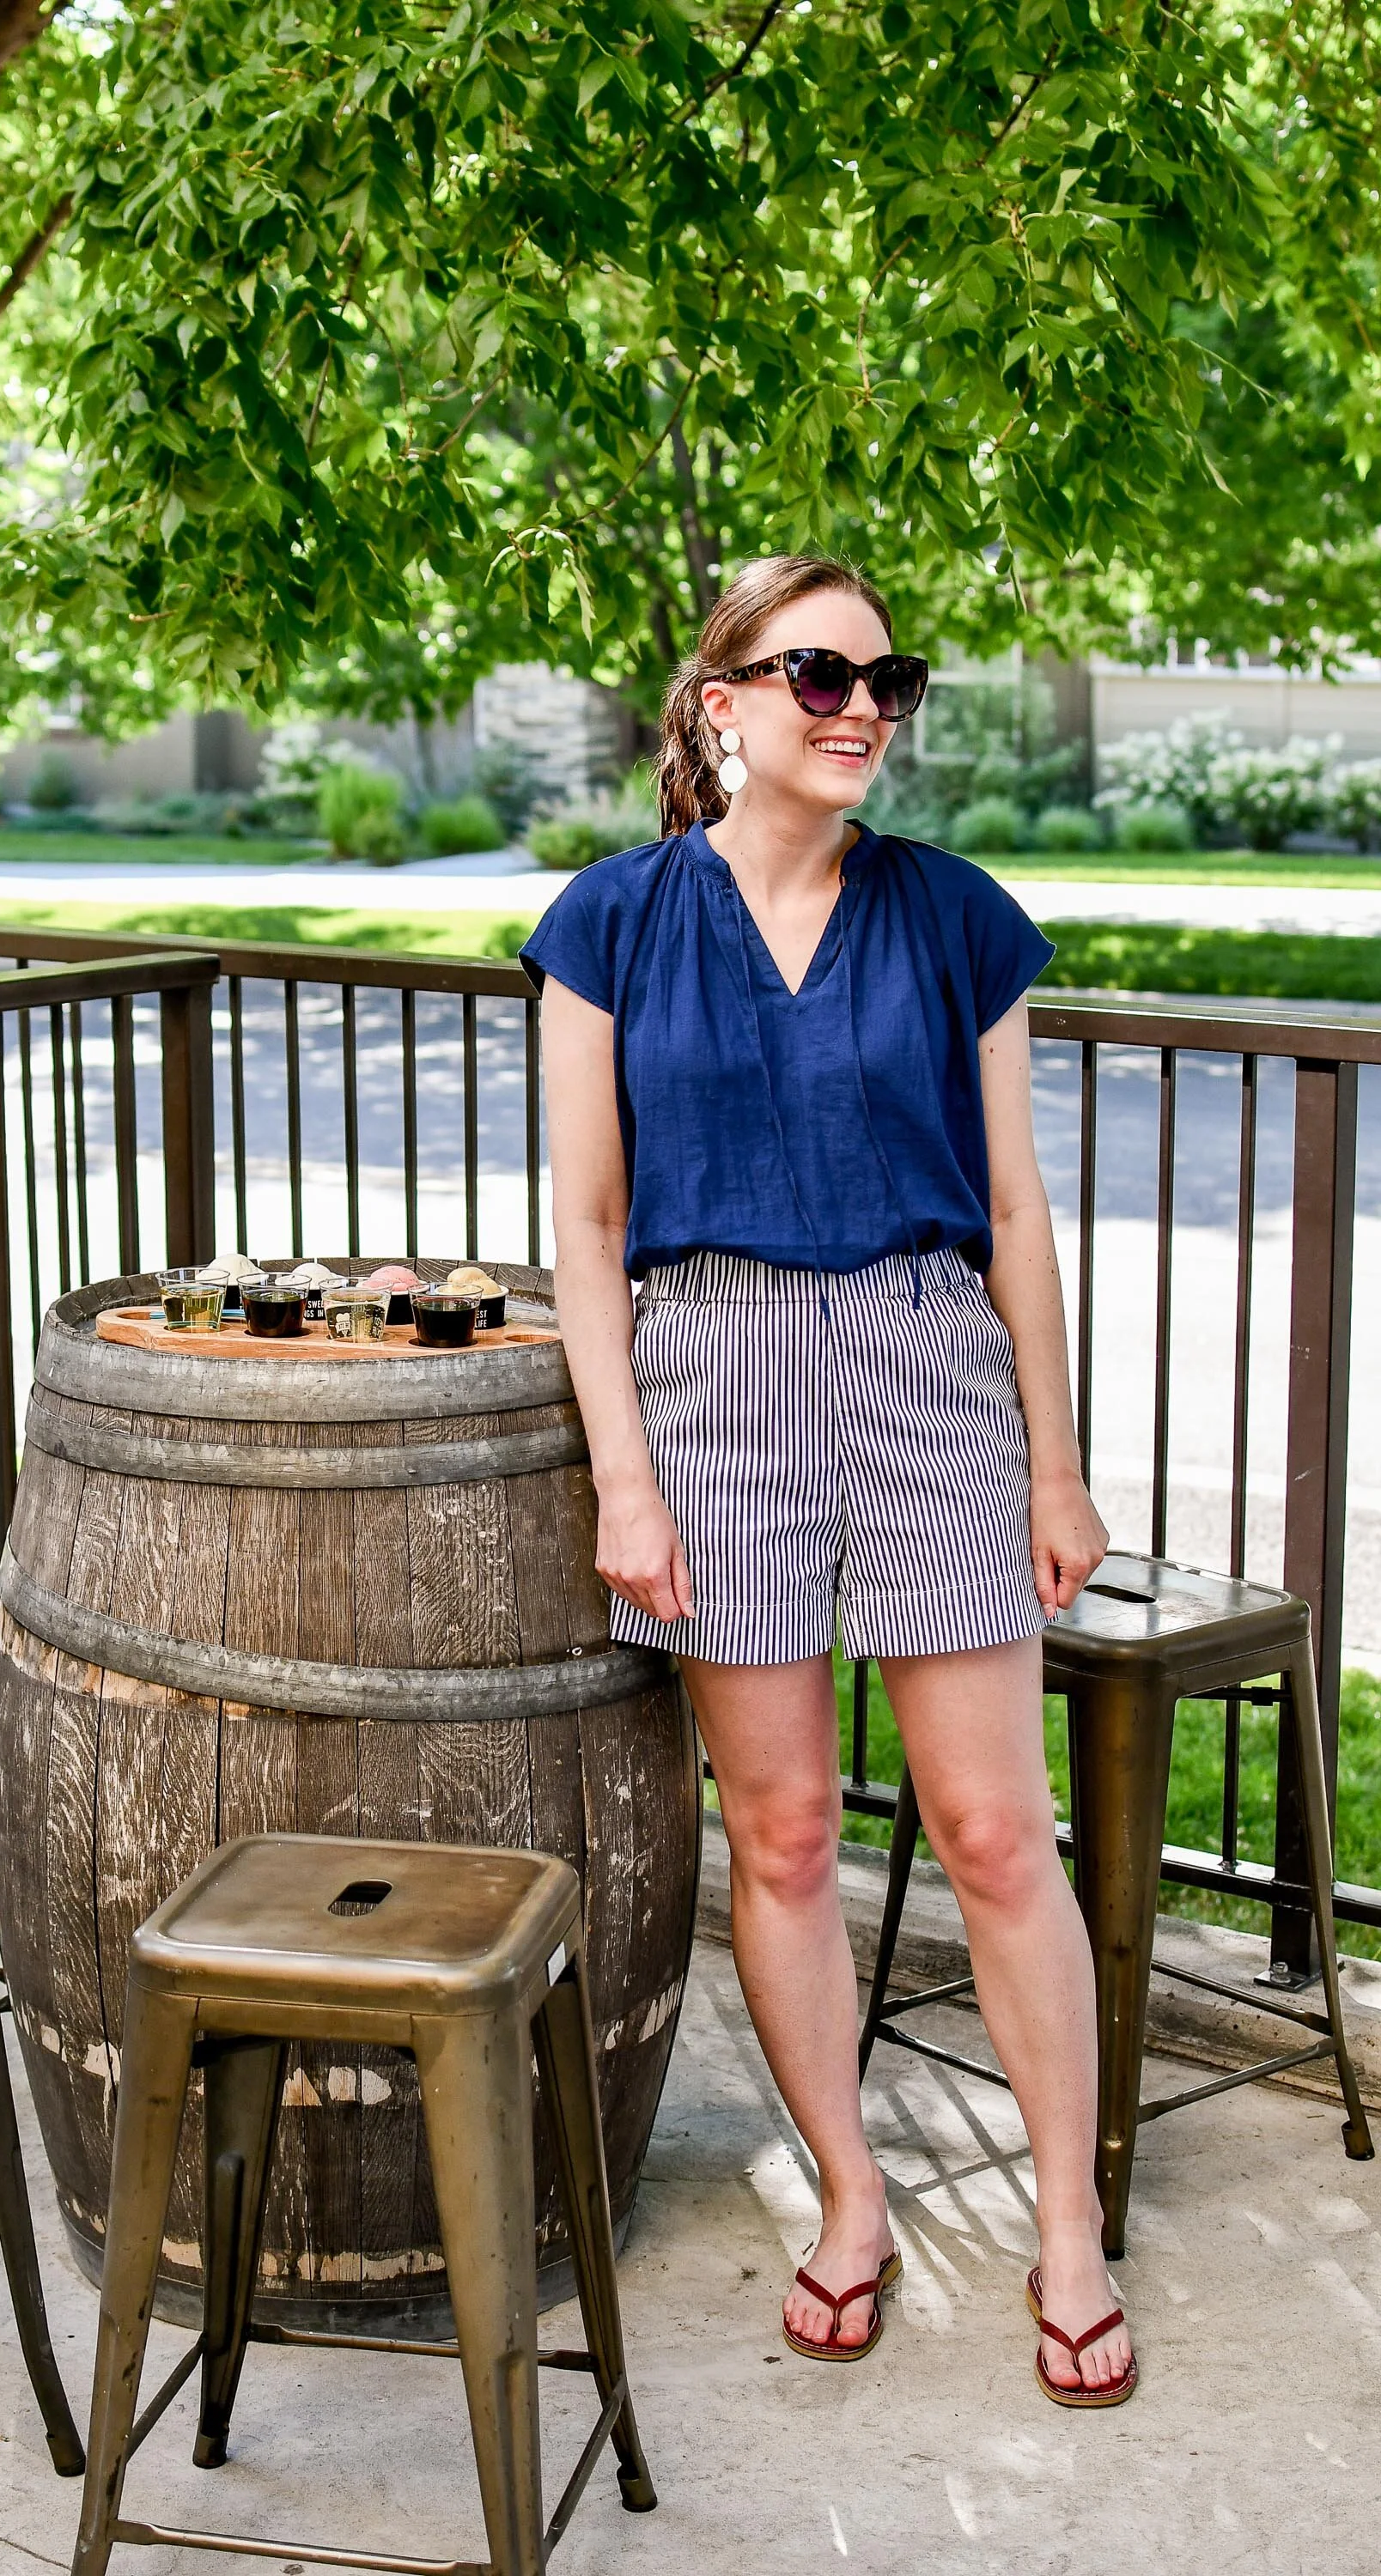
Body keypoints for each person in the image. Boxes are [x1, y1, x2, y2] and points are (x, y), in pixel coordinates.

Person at [520, 554, 1135, 2407]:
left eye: (889, 682)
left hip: (923, 1361)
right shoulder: (610, 924)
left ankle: (1069, 2231)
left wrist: (1056, 1457)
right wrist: (624, 1478)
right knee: (780, 1836)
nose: (864, 708)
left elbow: (1016, 1210)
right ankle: (850, 2198)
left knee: (992, 1835)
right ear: (720, 706)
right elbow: (586, 1219)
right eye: (820, 676)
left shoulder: (955, 919)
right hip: (708, 1377)